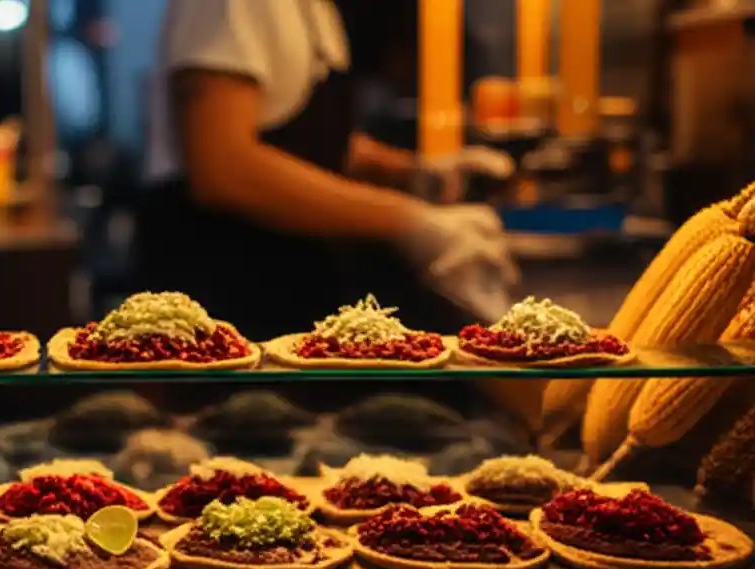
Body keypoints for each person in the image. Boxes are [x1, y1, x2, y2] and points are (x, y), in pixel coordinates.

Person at [138, 0, 518, 338]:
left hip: (293, 296)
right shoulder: (230, 7)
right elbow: (224, 168)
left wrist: (414, 172)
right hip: (222, 311)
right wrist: (410, 221)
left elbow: (302, 137)